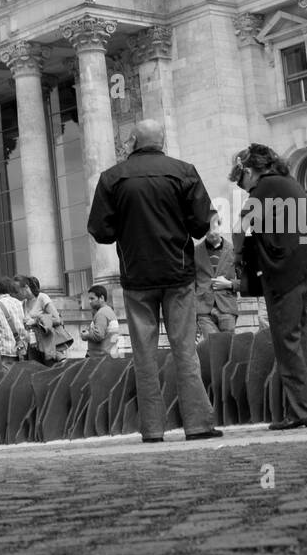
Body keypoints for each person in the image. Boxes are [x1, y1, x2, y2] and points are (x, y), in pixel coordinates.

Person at [88, 118, 221, 443]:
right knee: (185, 349)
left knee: (143, 354)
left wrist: (128, 229)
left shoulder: (111, 178)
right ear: (161, 141)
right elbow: (202, 225)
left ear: (132, 141)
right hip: (177, 273)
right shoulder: (184, 171)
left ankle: (152, 428)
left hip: (137, 276)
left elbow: (100, 231)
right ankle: (198, 424)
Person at [231, 142, 307, 430]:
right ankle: (302, 407)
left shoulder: (265, 187)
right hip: (304, 267)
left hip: (282, 272)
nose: (242, 187)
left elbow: (239, 227)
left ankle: (301, 412)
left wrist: (238, 256)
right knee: (297, 339)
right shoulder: (289, 183)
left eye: (240, 179)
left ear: (249, 171)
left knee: (286, 342)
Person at [194, 212, 240, 340]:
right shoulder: (195, 252)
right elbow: (191, 284)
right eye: (207, 229)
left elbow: (245, 281)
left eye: (213, 227)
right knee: (213, 349)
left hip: (227, 307)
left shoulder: (234, 251)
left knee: (229, 348)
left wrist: (230, 284)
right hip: (203, 309)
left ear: (220, 226)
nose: (210, 232)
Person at [19, 274, 69, 364]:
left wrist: (35, 321)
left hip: (47, 343)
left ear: (26, 287)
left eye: (19, 290)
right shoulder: (24, 303)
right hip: (33, 344)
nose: (17, 293)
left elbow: (57, 320)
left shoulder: (42, 297)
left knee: (51, 371)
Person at [80, 285, 120, 357]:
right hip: (108, 355)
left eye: (92, 298)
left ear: (101, 298)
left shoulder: (101, 313)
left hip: (99, 357)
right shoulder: (108, 310)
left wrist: (86, 335)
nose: (90, 301)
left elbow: (98, 335)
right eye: (89, 299)